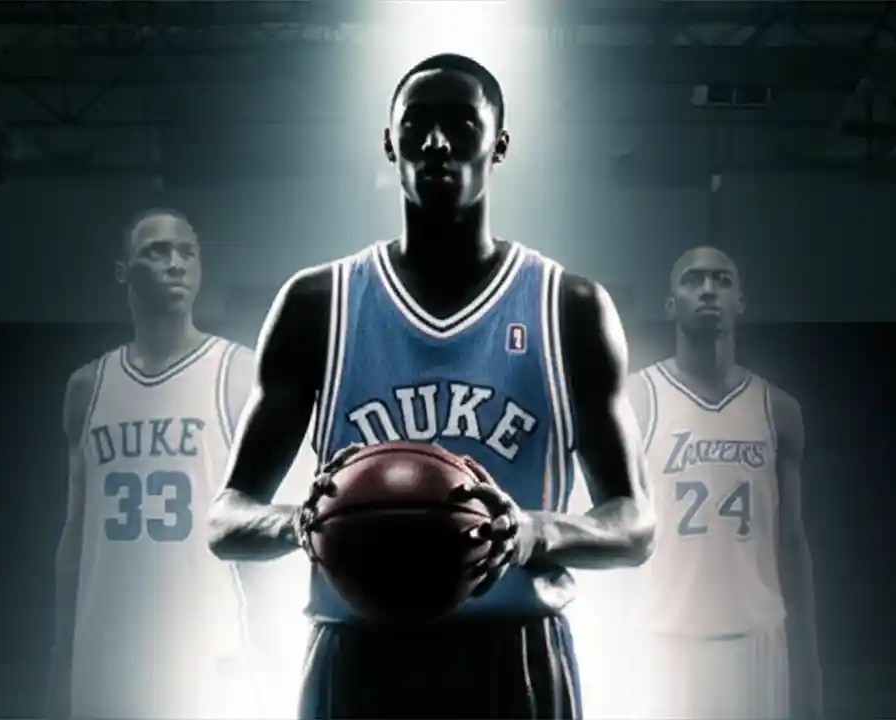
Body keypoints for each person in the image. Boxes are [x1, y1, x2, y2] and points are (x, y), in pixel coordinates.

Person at [207, 53, 655, 720]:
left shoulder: (569, 306)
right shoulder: (317, 303)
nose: (437, 143)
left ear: (500, 143)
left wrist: (530, 533)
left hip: (516, 657)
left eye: (462, 124)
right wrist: (299, 522)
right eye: (416, 125)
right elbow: (226, 516)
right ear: (389, 142)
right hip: (355, 653)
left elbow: (634, 524)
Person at [46, 208, 260, 720]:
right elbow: (76, 534)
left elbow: (263, 529)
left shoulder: (237, 372)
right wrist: (59, 657)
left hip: (205, 654)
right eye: (157, 252)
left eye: (187, 252)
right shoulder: (87, 387)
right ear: (123, 271)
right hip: (105, 651)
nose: (176, 264)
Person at [621, 246, 822, 720]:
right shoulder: (635, 399)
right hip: (662, 638)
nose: (708, 289)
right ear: (670, 304)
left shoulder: (779, 409)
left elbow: (792, 541)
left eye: (722, 280)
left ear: (741, 302)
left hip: (757, 635)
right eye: (693, 280)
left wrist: (809, 661)